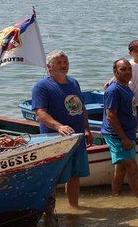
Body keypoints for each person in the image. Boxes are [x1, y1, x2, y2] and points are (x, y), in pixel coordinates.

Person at [31, 50, 92, 208]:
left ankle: (74, 208)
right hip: (55, 139)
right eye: (59, 62)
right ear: (49, 66)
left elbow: (81, 107)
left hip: (77, 137)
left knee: (75, 176)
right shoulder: (41, 87)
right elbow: (40, 112)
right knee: (52, 178)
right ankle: (49, 211)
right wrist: (59, 126)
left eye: (65, 62)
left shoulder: (74, 82)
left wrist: (87, 129)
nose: (63, 65)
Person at [102, 58, 138, 199]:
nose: (127, 72)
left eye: (129, 69)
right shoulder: (114, 90)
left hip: (127, 133)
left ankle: (115, 196)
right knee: (131, 167)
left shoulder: (126, 88)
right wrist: (124, 138)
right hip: (117, 135)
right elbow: (111, 116)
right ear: (115, 72)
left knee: (120, 169)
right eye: (123, 69)